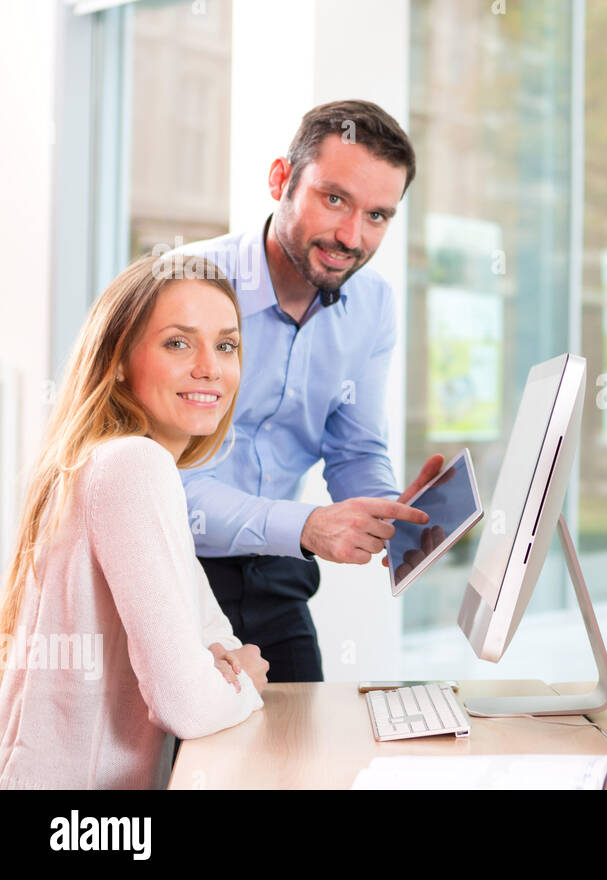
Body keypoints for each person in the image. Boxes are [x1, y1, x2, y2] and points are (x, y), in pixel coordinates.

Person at [172, 100, 445, 682]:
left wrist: (389, 512)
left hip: (277, 576)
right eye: (334, 198)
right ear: (281, 180)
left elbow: (354, 447)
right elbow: (169, 487)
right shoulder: (185, 287)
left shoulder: (373, 305)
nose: (351, 236)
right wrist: (308, 525)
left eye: (377, 215)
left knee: (302, 758)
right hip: (171, 578)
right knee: (190, 771)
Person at [0, 255, 269, 789]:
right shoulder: (132, 467)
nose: (210, 367)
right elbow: (187, 702)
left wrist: (216, 667)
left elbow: (215, 641)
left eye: (226, 345)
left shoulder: (109, 462)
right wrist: (245, 684)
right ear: (119, 360)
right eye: (177, 342)